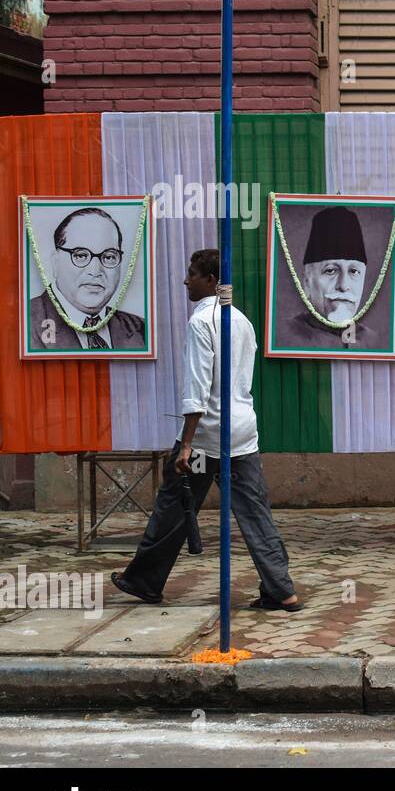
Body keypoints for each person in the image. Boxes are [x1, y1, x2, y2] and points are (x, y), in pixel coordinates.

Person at [111, 249, 301, 612]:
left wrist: (186, 444)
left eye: (192, 274)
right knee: (255, 512)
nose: (186, 281)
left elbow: (197, 387)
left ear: (211, 281)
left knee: (174, 505)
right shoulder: (242, 321)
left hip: (206, 437)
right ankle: (282, 589)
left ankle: (144, 581)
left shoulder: (202, 323)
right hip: (243, 432)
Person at [28, 207, 146, 351]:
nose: (95, 271)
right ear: (55, 262)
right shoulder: (24, 322)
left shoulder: (142, 329)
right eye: (81, 255)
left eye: (109, 257)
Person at [277, 206, 379, 350]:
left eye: (354, 271)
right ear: (307, 282)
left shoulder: (372, 341)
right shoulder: (285, 337)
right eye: (331, 270)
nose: (343, 285)